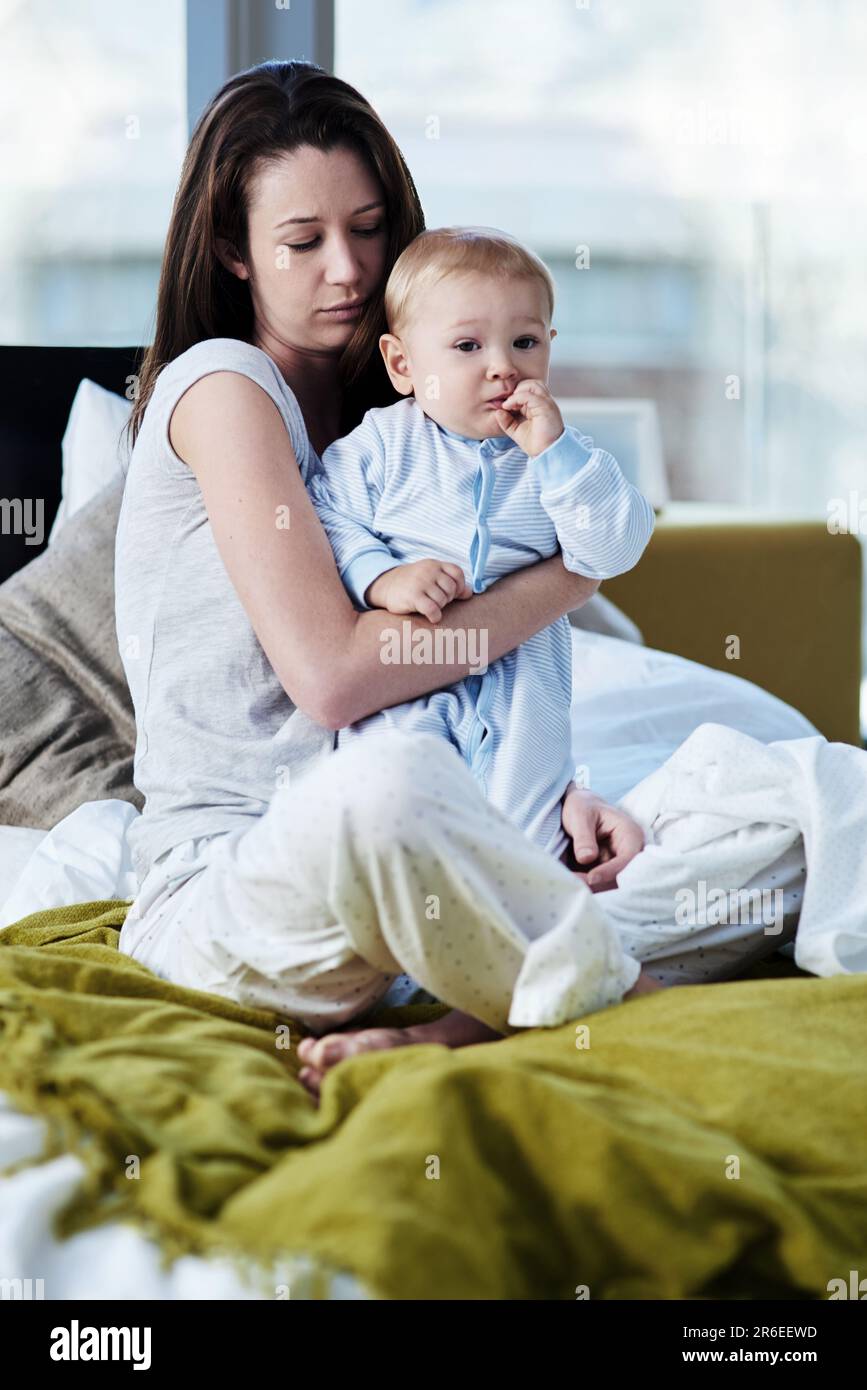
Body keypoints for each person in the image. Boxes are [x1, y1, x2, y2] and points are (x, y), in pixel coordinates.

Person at [114, 60, 789, 1109]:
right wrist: (572, 573)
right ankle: (609, 991)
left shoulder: (396, 426)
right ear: (231, 254)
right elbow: (338, 681)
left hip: (403, 885)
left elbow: (456, 687)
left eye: (370, 228)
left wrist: (556, 795)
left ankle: (463, 1018)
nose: (346, 266)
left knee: (776, 809)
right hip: (241, 881)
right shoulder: (224, 388)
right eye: (302, 241)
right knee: (392, 788)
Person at [310, 225, 655, 857]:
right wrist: (382, 578)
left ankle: (533, 934)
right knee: (397, 829)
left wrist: (557, 456)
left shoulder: (559, 459)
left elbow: (613, 548)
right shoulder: (382, 448)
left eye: (525, 341)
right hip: (403, 706)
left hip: (524, 715)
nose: (503, 366)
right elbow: (327, 518)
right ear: (402, 365)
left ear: (550, 347)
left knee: (523, 855)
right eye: (468, 345)